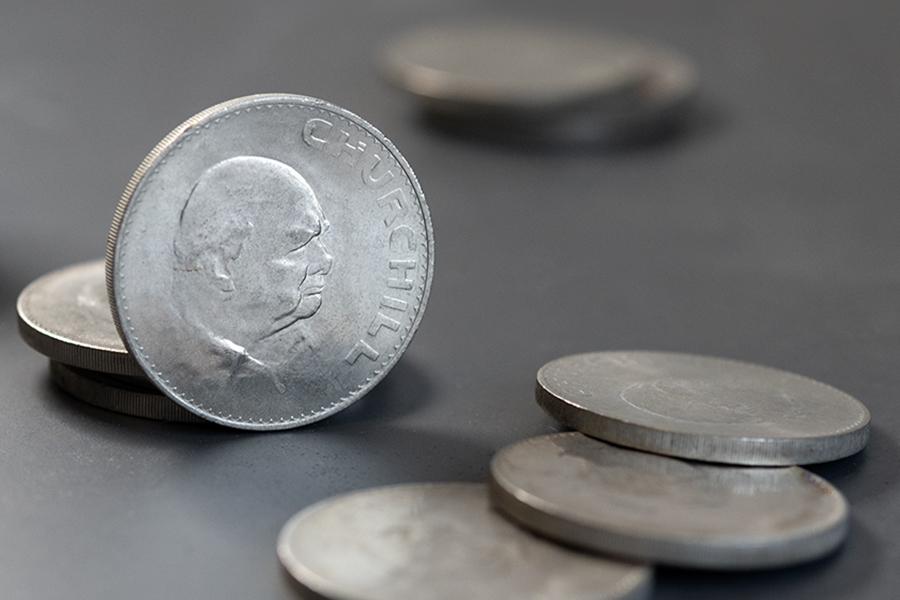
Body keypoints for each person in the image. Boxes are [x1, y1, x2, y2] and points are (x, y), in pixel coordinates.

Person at [171, 155, 333, 394]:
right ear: (221, 266)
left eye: (318, 238)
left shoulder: (307, 355)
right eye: (299, 242)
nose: (325, 261)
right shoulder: (204, 372)